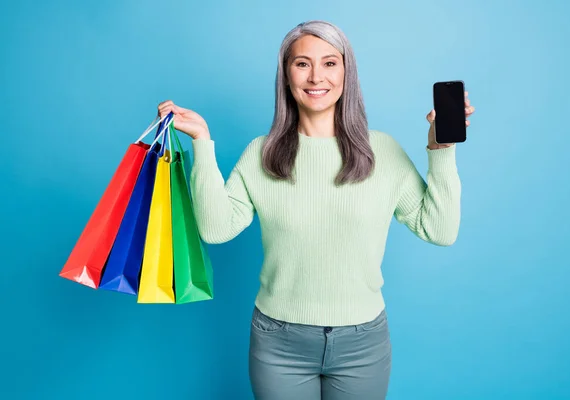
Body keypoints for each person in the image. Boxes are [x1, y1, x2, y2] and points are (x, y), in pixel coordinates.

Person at [158, 20, 474, 400]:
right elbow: (215, 229)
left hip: (363, 344)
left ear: (346, 72)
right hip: (279, 343)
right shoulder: (262, 153)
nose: (315, 76)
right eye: (302, 63)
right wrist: (203, 144)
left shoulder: (382, 151)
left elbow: (439, 230)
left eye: (329, 63)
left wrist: (441, 149)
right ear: (286, 74)